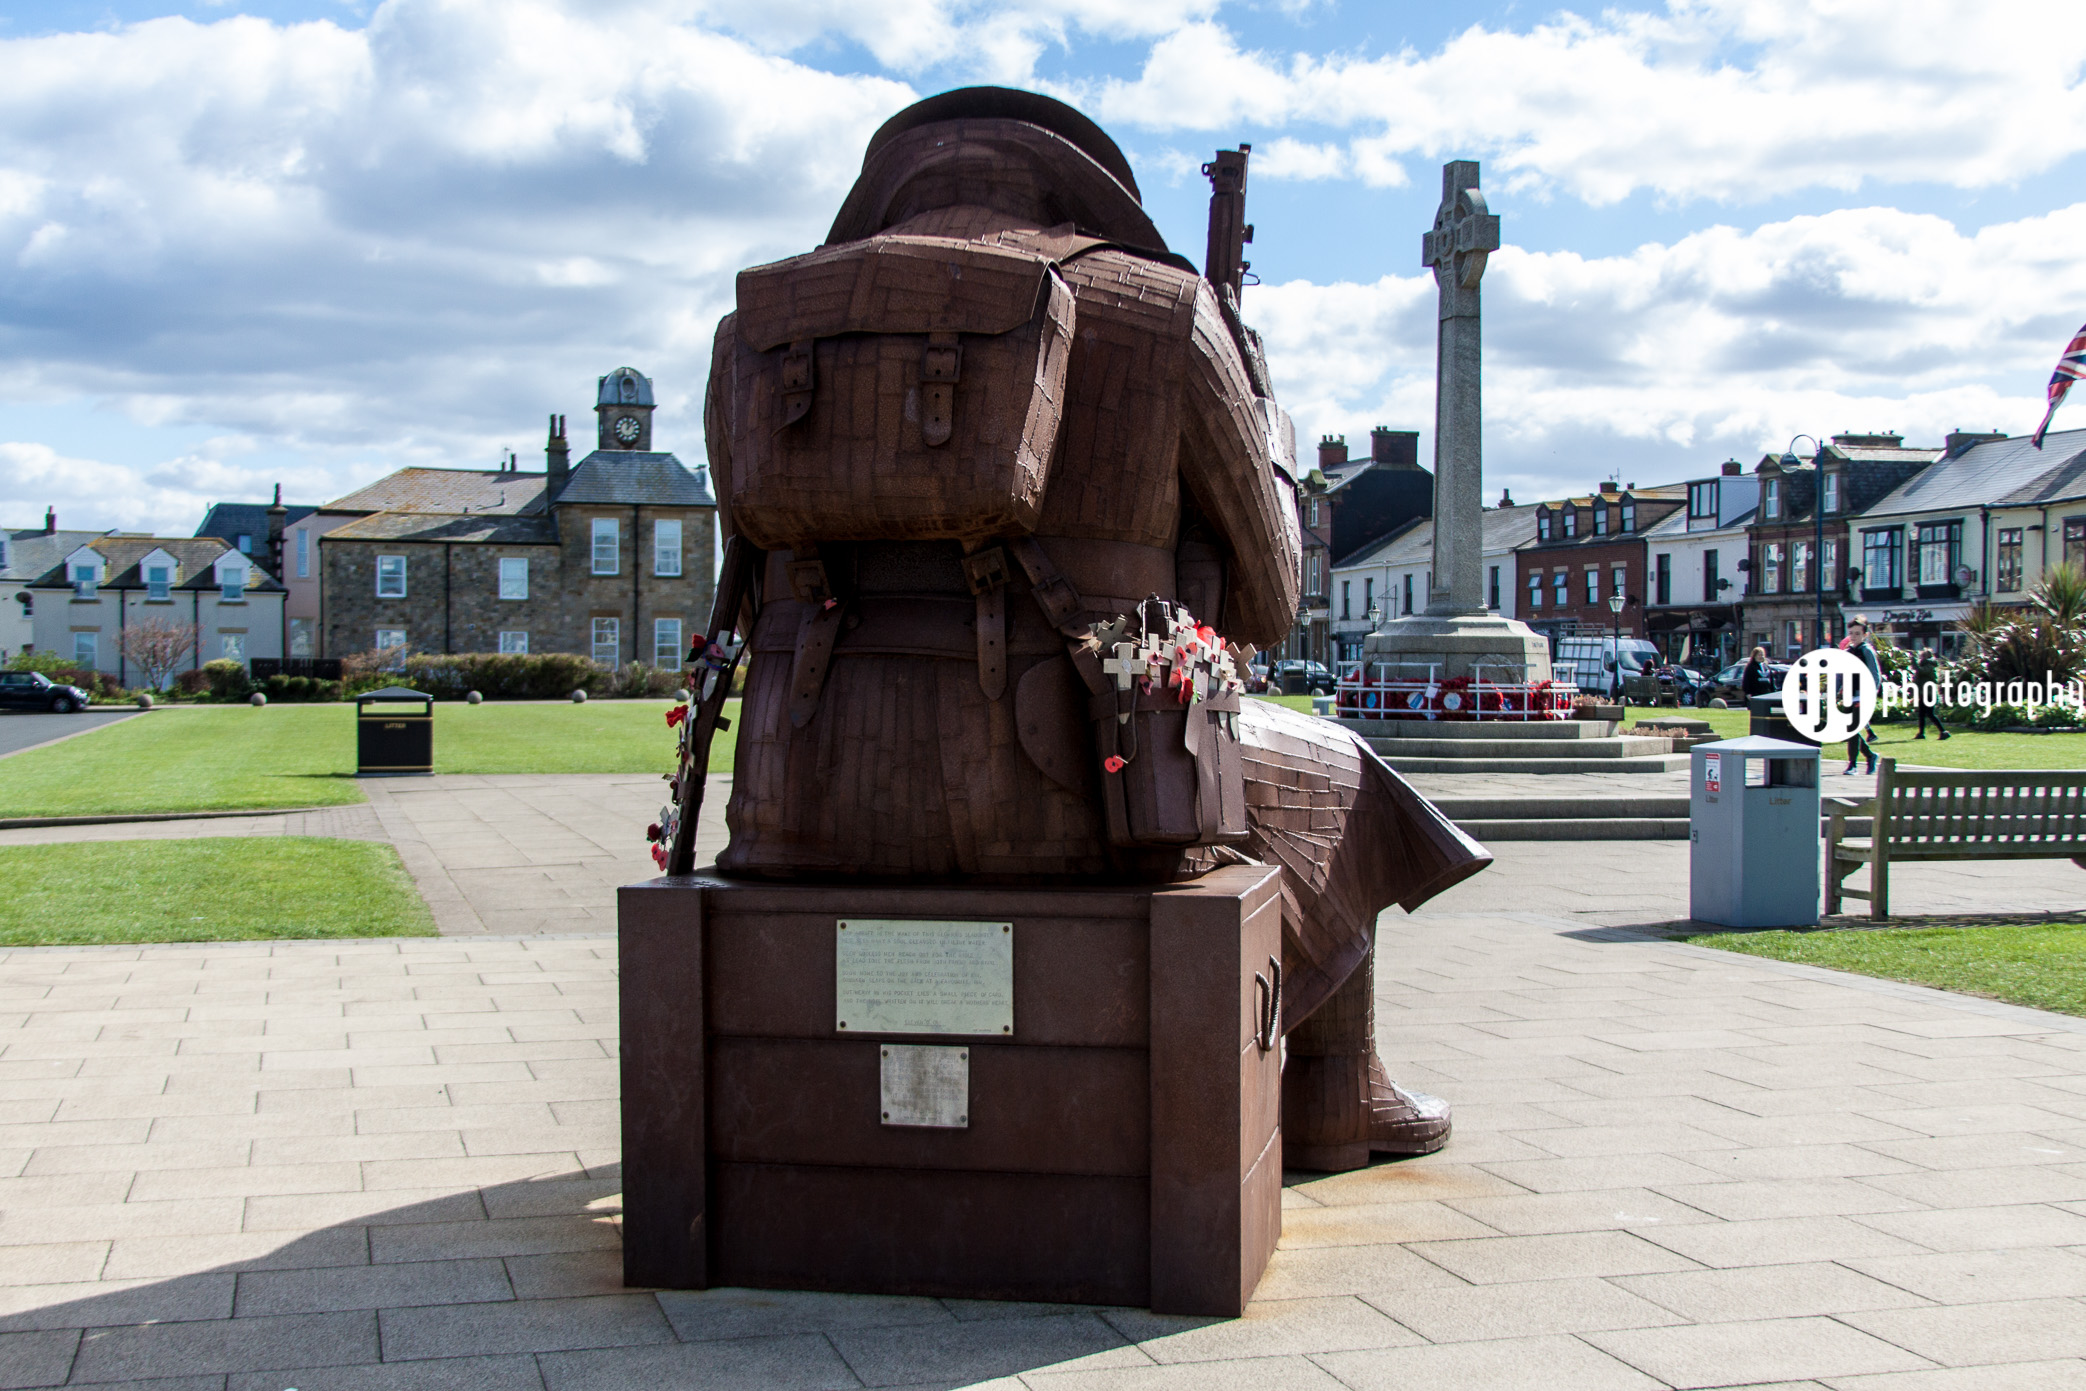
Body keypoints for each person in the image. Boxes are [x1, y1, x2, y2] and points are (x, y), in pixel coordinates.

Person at [697, 88, 1490, 1171]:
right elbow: (1266, 597)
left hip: (801, 795)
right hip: (1100, 797)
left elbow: (743, 587)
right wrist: (1264, 422)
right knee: (1337, 766)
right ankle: (1336, 1092)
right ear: (1079, 181)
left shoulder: (759, 331)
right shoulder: (1161, 304)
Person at [1844, 621, 1883, 774]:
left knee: (1852, 729)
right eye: (1851, 633)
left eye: (1857, 633)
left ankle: (1852, 765)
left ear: (1865, 635)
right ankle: (1870, 755)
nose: (1853, 636)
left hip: (1861, 695)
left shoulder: (1867, 651)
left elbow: (1875, 674)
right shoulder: (1848, 652)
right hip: (1849, 694)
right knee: (1849, 730)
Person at [1914, 648, 1951, 740]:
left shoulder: (1929, 665)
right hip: (1925, 692)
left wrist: (1914, 662)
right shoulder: (1926, 665)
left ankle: (1943, 732)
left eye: (1922, 656)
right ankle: (1921, 733)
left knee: (1930, 714)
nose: (1920, 658)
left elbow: (1921, 671)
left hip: (1929, 693)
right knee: (1922, 714)